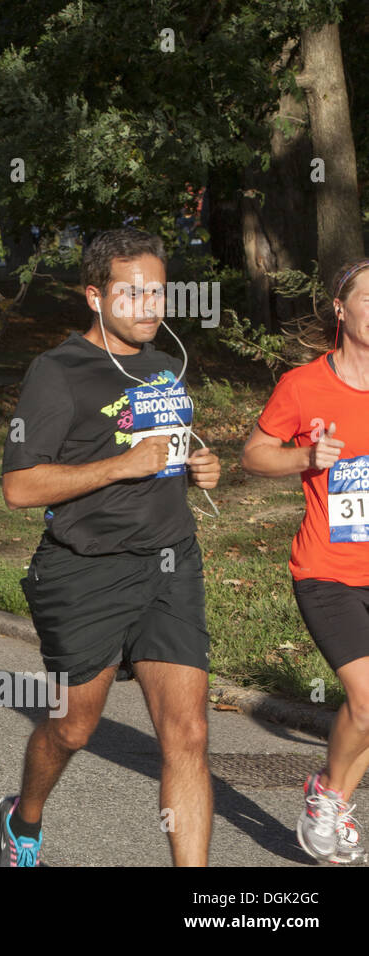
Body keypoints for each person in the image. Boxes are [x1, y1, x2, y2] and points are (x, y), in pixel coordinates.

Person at [0, 227, 221, 867]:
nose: (149, 306)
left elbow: (166, 452)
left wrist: (198, 466)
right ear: (96, 295)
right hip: (85, 571)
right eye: (132, 293)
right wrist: (121, 467)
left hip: (170, 563)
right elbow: (18, 486)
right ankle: (24, 818)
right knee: (75, 727)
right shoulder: (57, 372)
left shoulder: (162, 366)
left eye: (158, 292)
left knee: (189, 734)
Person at [241, 258, 369, 864]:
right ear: (341, 310)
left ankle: (332, 791)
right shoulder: (303, 386)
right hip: (329, 570)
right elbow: (255, 453)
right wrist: (306, 457)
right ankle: (329, 798)